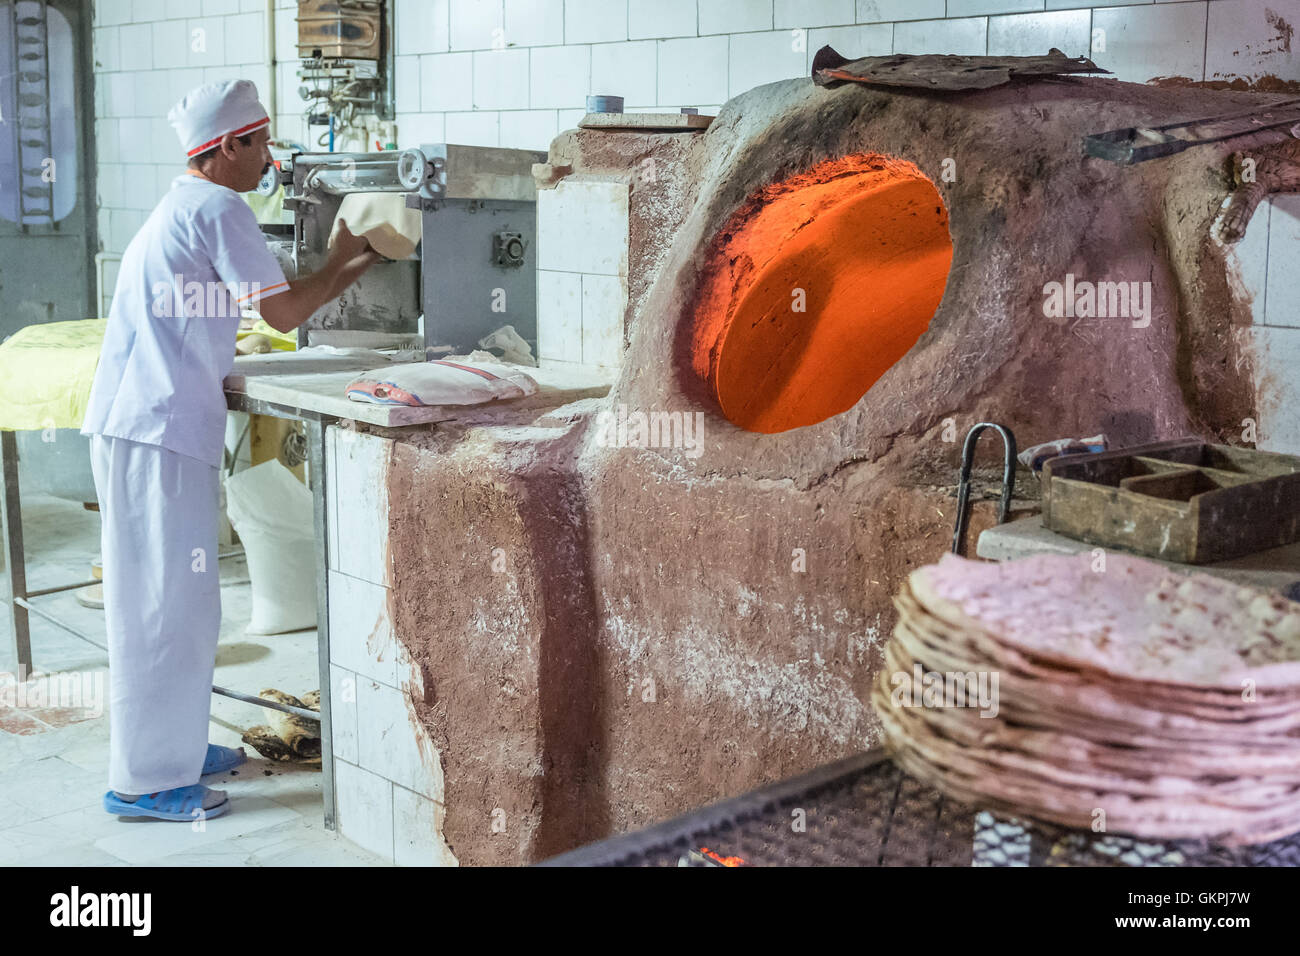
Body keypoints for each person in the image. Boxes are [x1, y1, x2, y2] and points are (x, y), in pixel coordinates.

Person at [81, 80, 380, 821]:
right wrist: (343, 259)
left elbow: (238, 308)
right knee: (161, 608)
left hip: (145, 424)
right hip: (155, 429)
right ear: (226, 149)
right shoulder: (221, 207)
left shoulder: (183, 203)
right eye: (262, 142)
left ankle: (173, 746)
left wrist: (341, 264)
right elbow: (279, 314)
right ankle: (146, 782)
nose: (269, 158)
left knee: (181, 602)